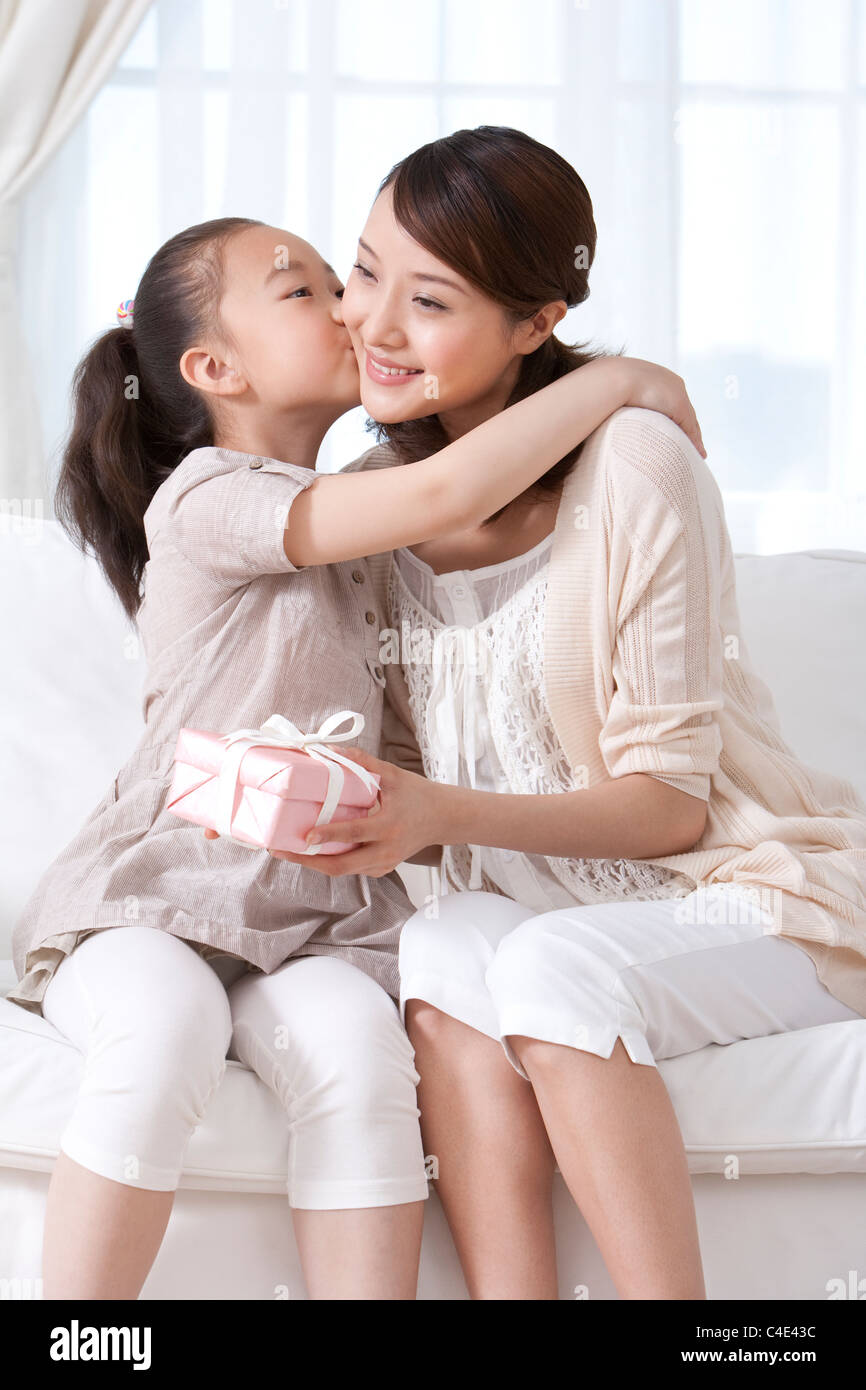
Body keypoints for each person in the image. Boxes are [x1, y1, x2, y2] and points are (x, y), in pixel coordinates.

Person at [9, 210, 699, 1299]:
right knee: (164, 1028)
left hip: (317, 914)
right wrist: (617, 381)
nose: (347, 307)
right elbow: (443, 491)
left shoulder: (363, 546)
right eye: (302, 289)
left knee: (360, 1059)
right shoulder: (208, 496)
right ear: (212, 366)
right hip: (164, 888)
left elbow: (438, 579)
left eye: (342, 280)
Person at [273, 126, 866, 1300]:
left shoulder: (634, 465)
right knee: (442, 944)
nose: (374, 322)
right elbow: (401, 780)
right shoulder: (368, 509)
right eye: (364, 267)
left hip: (745, 897)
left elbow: (666, 807)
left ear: (535, 323)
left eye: (430, 299)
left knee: (549, 967)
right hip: (548, 918)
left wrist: (434, 807)